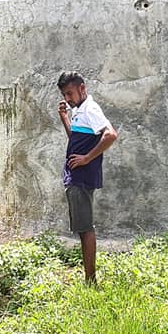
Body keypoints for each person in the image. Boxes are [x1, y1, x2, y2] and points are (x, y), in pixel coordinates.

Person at [55, 72, 118, 284]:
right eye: (65, 95)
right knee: (83, 228)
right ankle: (89, 279)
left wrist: (86, 158)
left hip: (82, 177)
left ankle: (91, 282)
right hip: (76, 177)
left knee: (85, 229)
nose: (67, 98)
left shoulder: (90, 108)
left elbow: (110, 135)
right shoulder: (79, 110)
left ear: (82, 88)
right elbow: (77, 138)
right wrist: (65, 119)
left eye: (70, 93)